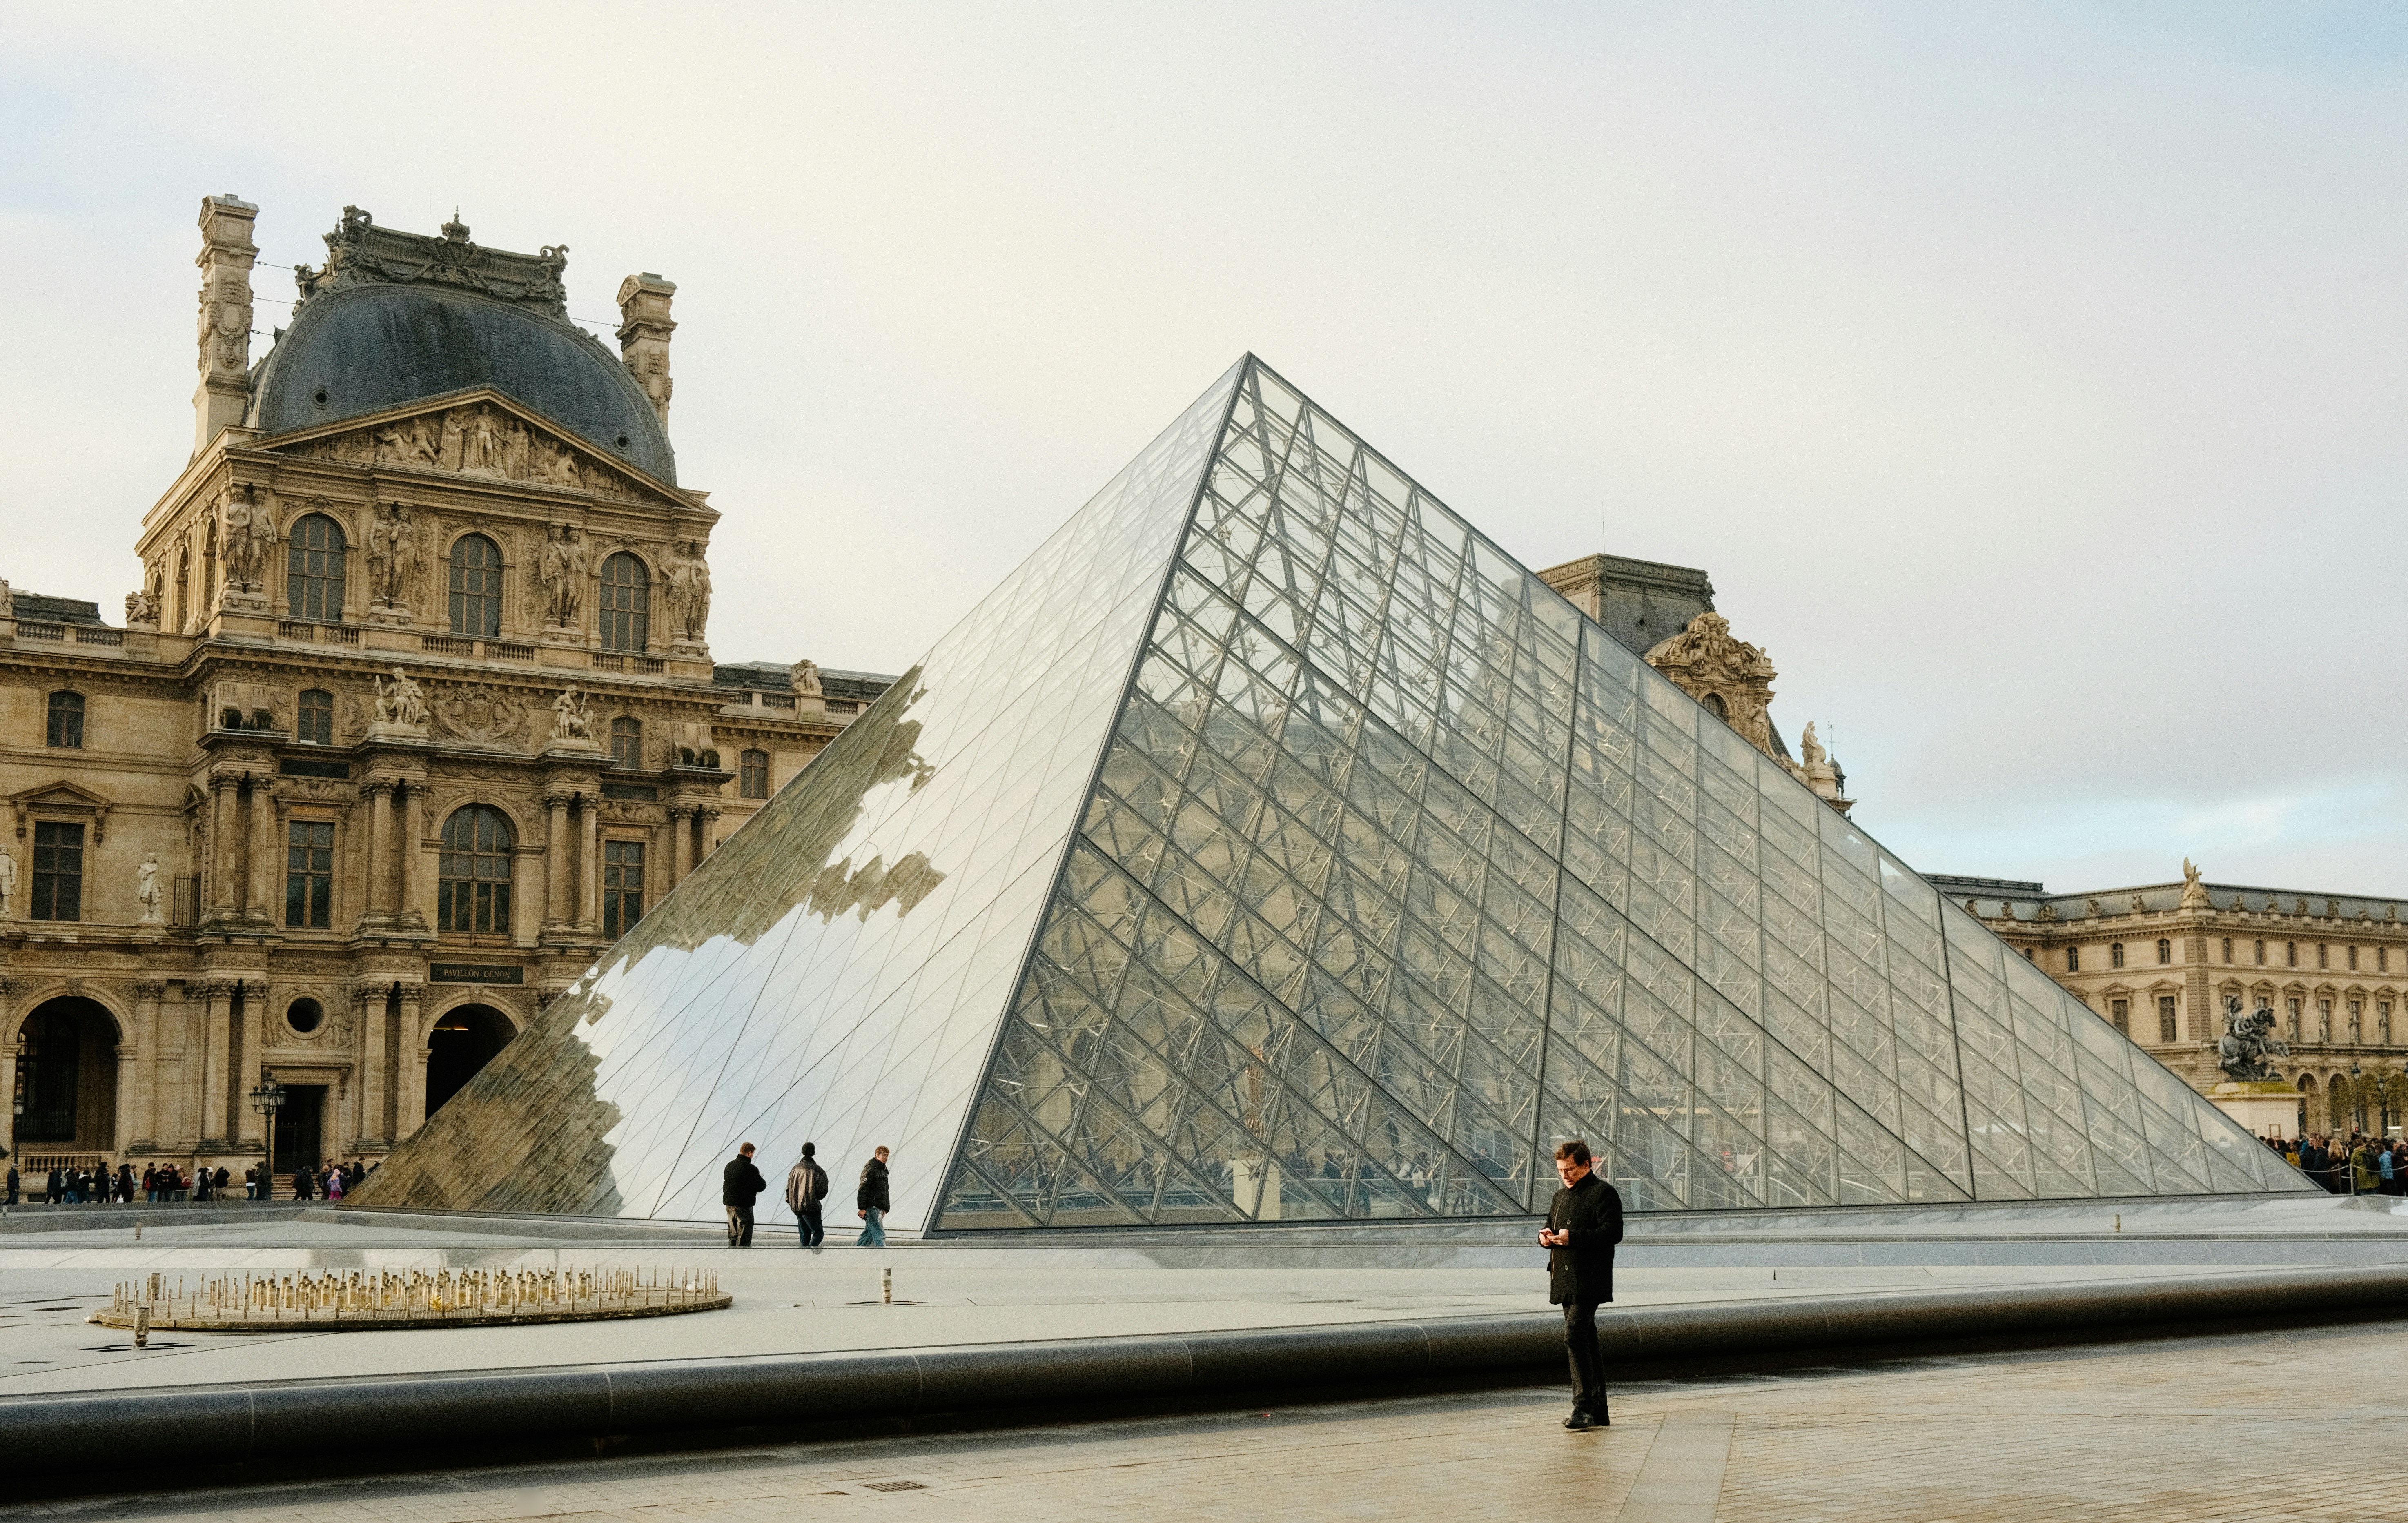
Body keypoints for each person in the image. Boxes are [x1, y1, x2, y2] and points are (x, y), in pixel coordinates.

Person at [1538, 1138, 1622, 1432]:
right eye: (1561, 1170)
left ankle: (1582, 1407)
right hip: (1564, 1276)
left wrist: (1572, 1238)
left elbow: (1613, 1232)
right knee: (1587, 1337)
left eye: (1570, 1169)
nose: (1565, 1175)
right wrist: (1544, 1237)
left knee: (1574, 1334)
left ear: (1587, 1165)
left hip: (1590, 1276)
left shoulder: (1603, 1193)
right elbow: (1549, 1224)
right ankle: (1599, 1410)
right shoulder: (1559, 1196)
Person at [722, 1142, 766, 1248]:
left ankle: (731, 1256)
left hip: (730, 1205)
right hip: (744, 1205)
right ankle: (741, 1258)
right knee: (744, 1235)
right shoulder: (751, 1169)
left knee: (733, 1234)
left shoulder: (729, 1165)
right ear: (750, 1153)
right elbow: (761, 1186)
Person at [786, 1142, 829, 1250]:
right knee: (818, 1234)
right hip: (810, 1207)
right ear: (813, 1153)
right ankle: (808, 1256)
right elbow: (822, 1191)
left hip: (797, 1207)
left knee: (805, 1236)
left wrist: (793, 1202)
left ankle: (803, 1260)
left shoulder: (794, 1169)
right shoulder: (817, 1170)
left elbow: (788, 1190)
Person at [856, 1146, 891, 1247]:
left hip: (878, 1208)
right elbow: (863, 1189)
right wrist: (862, 1208)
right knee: (880, 1234)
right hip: (873, 1207)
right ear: (877, 1155)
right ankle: (883, 1257)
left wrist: (886, 1208)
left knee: (868, 1235)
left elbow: (885, 1191)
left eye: (888, 1155)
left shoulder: (883, 1170)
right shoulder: (871, 1169)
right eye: (884, 1155)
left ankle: (855, 1254)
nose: (886, 1158)